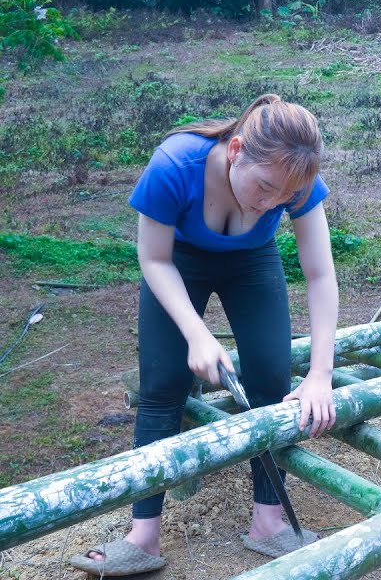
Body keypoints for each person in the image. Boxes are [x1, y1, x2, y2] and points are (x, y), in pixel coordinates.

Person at [70, 94, 339, 577]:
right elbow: (153, 258)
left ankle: (269, 523)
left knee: (272, 378)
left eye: (284, 196)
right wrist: (197, 334)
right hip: (179, 262)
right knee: (162, 385)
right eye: (264, 188)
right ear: (235, 150)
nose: (271, 203)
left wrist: (321, 372)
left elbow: (320, 275)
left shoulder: (295, 177)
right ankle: (143, 535)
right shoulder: (175, 162)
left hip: (252, 263)